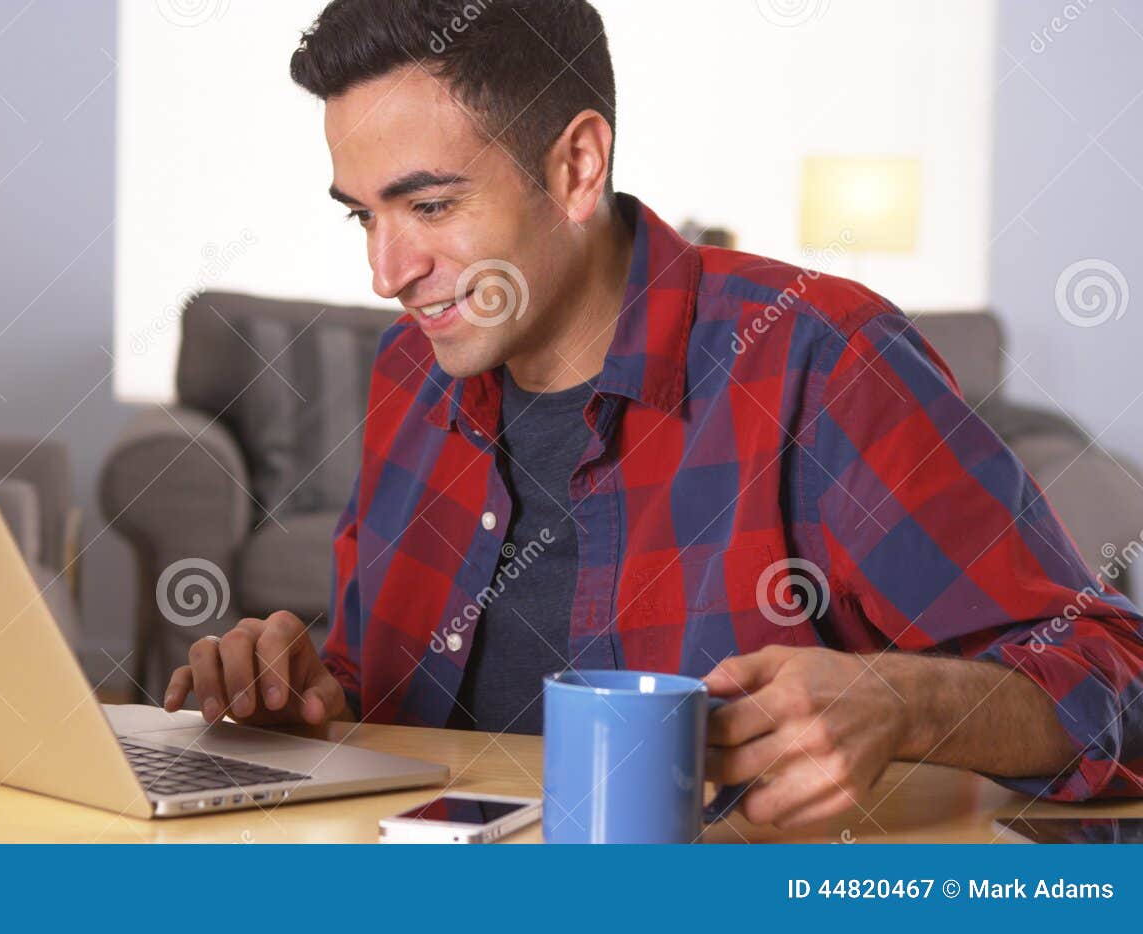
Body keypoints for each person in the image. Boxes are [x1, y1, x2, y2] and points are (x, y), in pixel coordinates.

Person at [163, 0, 1143, 827]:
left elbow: (1117, 679)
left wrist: (906, 699)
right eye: (362, 215)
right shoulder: (408, 371)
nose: (386, 272)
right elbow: (385, 684)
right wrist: (304, 695)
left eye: (429, 208)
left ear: (576, 167)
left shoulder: (820, 358)